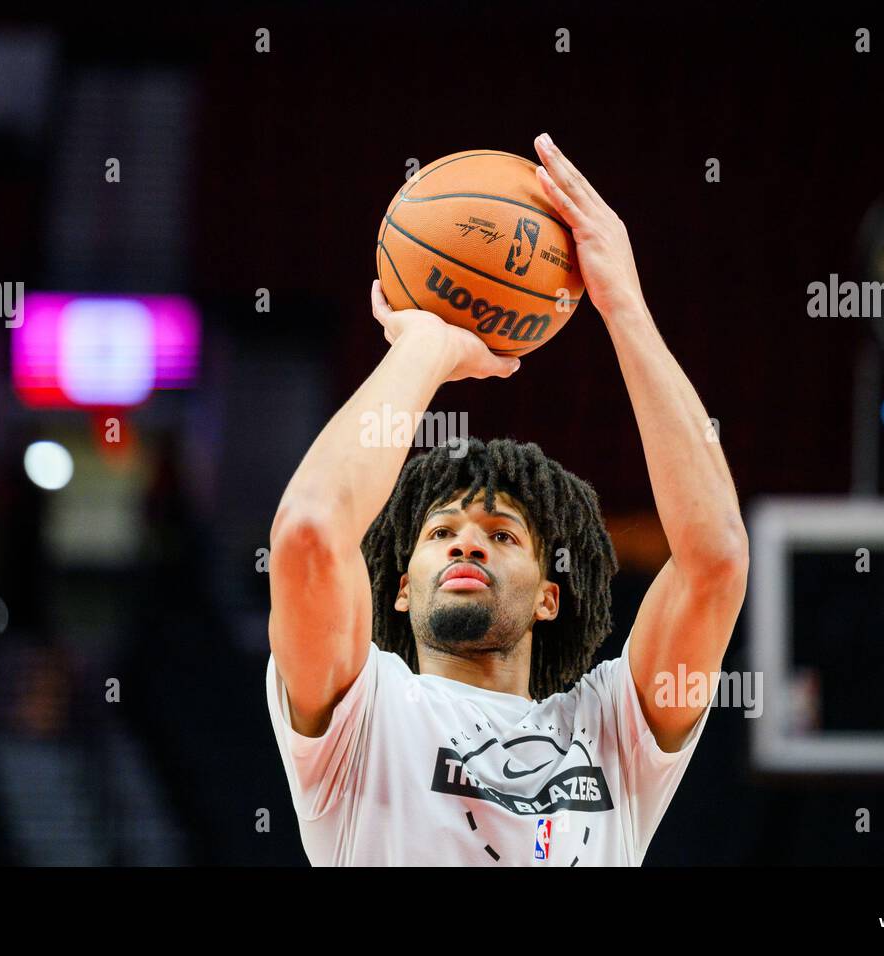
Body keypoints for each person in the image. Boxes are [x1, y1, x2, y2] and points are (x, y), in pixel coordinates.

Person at [265, 133, 748, 865]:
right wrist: (424, 348)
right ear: (398, 592)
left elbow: (715, 560)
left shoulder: (610, 733)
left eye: (502, 534)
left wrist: (623, 303)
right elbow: (308, 532)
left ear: (550, 596)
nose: (467, 543)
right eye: (441, 534)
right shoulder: (360, 718)